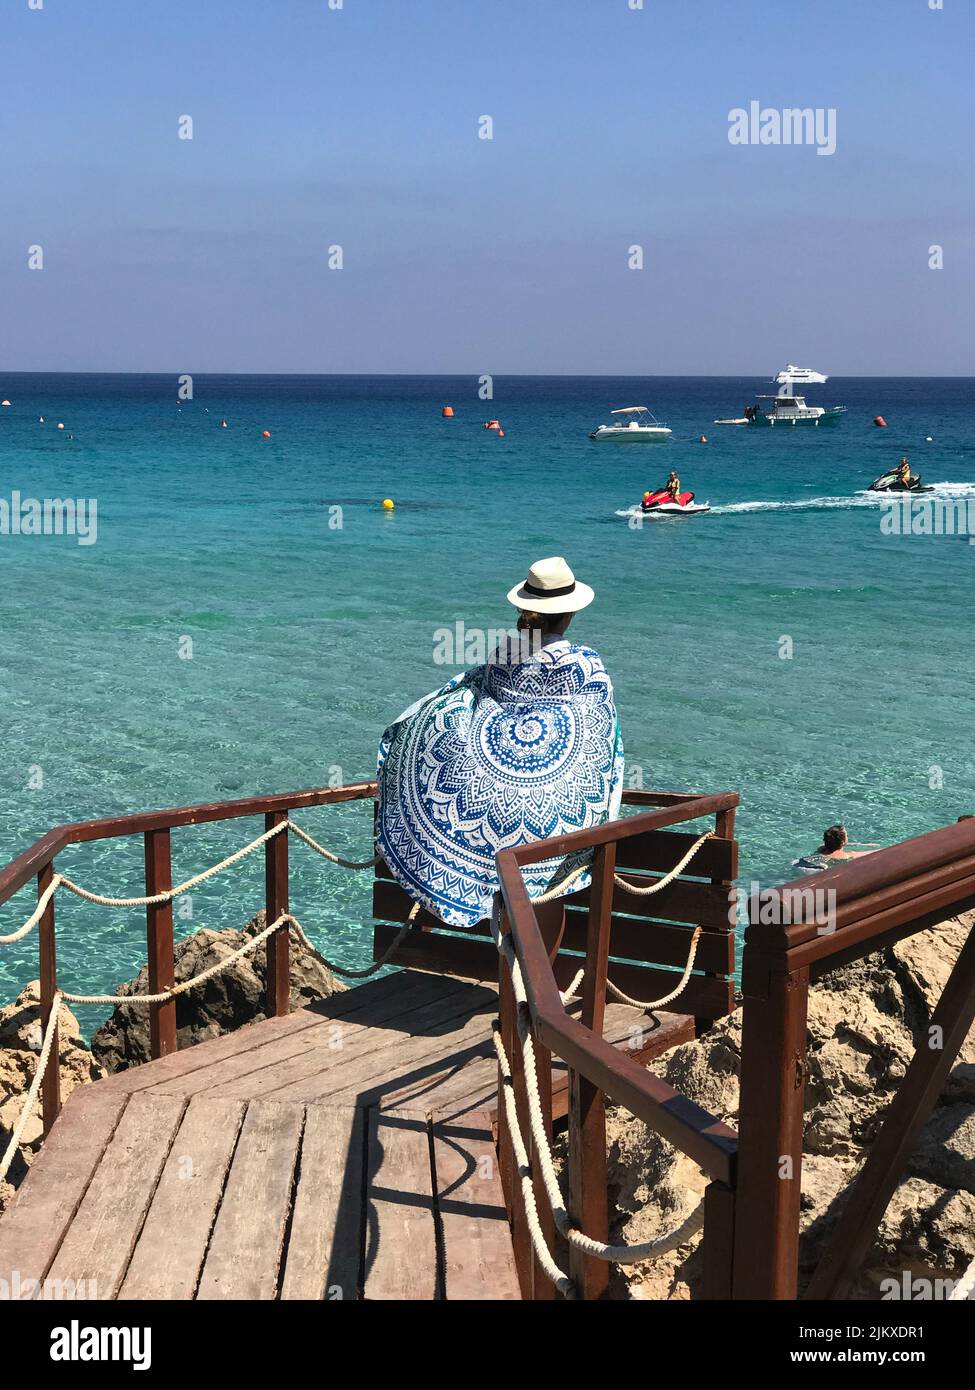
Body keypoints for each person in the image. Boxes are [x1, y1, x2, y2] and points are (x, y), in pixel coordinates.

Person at [376, 557, 624, 958]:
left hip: (489, 809)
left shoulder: (503, 655)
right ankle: (538, 993)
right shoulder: (586, 664)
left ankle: (512, 982)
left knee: (508, 879)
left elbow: (476, 702)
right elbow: (602, 735)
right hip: (551, 812)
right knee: (548, 887)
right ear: (571, 612)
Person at [792, 824, 876, 874]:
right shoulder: (847, 855)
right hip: (822, 868)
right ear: (843, 842)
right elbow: (871, 852)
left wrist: (861, 844)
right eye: (847, 836)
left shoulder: (821, 848)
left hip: (806, 862)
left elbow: (829, 842)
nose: (848, 837)